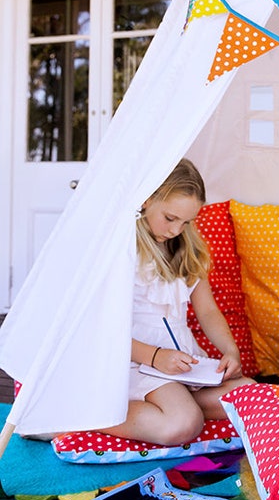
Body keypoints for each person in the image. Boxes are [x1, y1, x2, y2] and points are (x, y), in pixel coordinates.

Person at [101, 158, 253, 447]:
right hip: (135, 362)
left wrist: (230, 351)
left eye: (186, 222)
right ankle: (86, 415)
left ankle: (182, 401)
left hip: (181, 363)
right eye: (170, 218)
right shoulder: (121, 249)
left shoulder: (186, 250)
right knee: (183, 423)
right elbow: (100, 328)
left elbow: (207, 311)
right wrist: (156, 356)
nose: (176, 230)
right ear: (146, 200)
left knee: (249, 395)